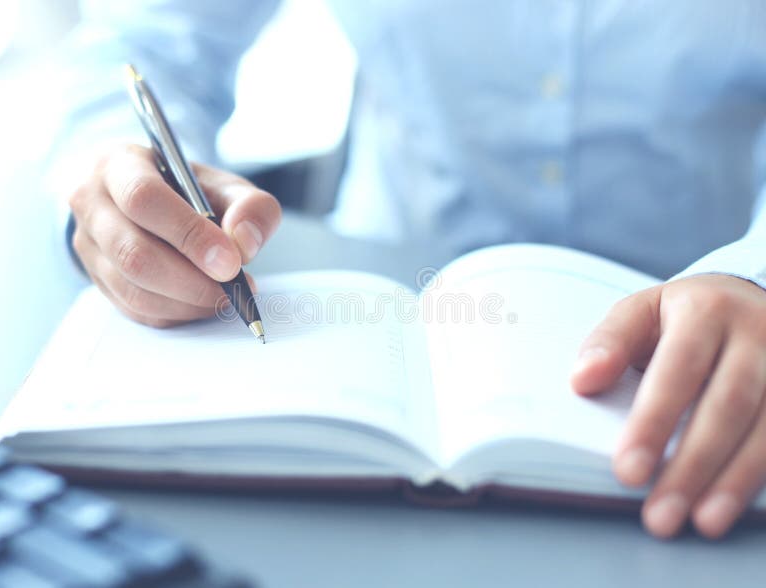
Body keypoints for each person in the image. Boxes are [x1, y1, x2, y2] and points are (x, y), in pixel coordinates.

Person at [55, 0, 766, 540]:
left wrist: (756, 274)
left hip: (706, 308)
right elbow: (145, 42)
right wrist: (117, 182)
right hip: (390, 298)